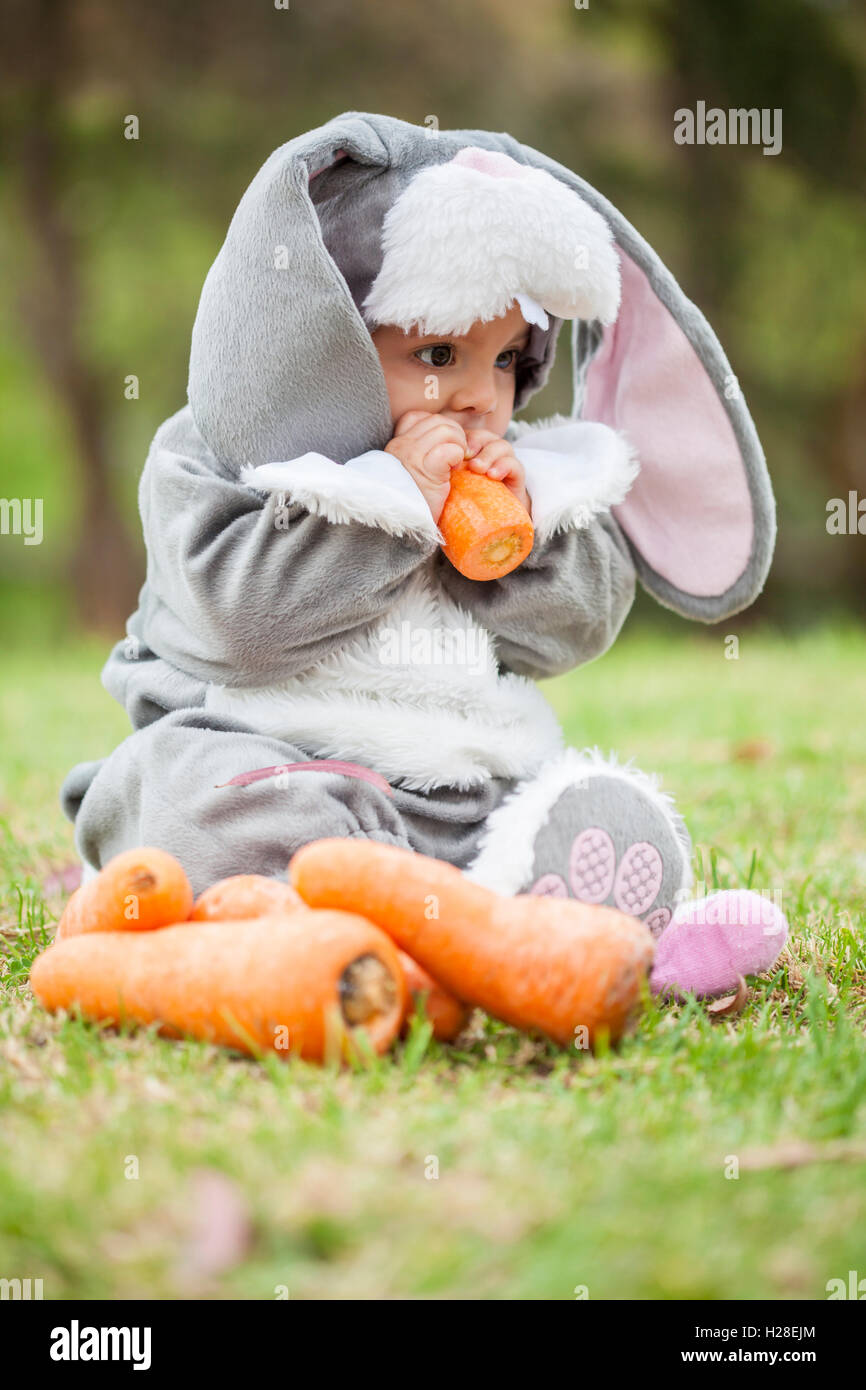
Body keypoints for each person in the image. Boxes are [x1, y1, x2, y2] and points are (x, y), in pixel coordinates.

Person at [60, 115, 787, 998]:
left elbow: (579, 629)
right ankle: (383, 928)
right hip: (271, 764)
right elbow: (241, 627)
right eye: (438, 354)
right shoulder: (220, 457)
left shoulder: (526, 467)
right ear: (326, 347)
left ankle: (559, 926)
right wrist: (393, 510)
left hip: (453, 795)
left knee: (554, 801)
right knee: (185, 798)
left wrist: (512, 541)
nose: (482, 397)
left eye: (510, 360)